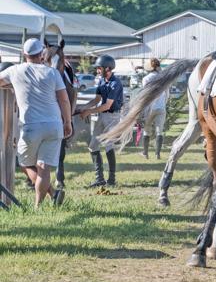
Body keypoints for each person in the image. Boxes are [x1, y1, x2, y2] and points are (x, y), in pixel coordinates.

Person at [0, 38, 72, 207]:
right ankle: (40, 205)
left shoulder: (15, 71)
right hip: (54, 125)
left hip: (31, 126)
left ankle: (51, 195)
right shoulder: (52, 73)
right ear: (41, 54)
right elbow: (64, 99)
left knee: (24, 163)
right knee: (44, 167)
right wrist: (67, 122)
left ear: (24, 54)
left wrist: (11, 86)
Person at [79, 55, 124, 187]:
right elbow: (97, 100)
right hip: (101, 116)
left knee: (109, 145)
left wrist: (89, 112)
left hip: (112, 117)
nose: (97, 71)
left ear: (108, 68)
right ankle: (99, 179)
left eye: (99, 68)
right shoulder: (102, 81)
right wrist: (83, 107)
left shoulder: (115, 83)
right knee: (93, 145)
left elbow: (107, 105)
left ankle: (111, 180)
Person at [141, 58, 169, 160]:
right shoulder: (164, 78)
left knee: (146, 130)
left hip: (149, 107)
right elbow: (167, 94)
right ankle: (157, 154)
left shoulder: (146, 79)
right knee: (159, 131)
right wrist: (163, 104)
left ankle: (145, 153)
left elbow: (145, 94)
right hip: (161, 107)